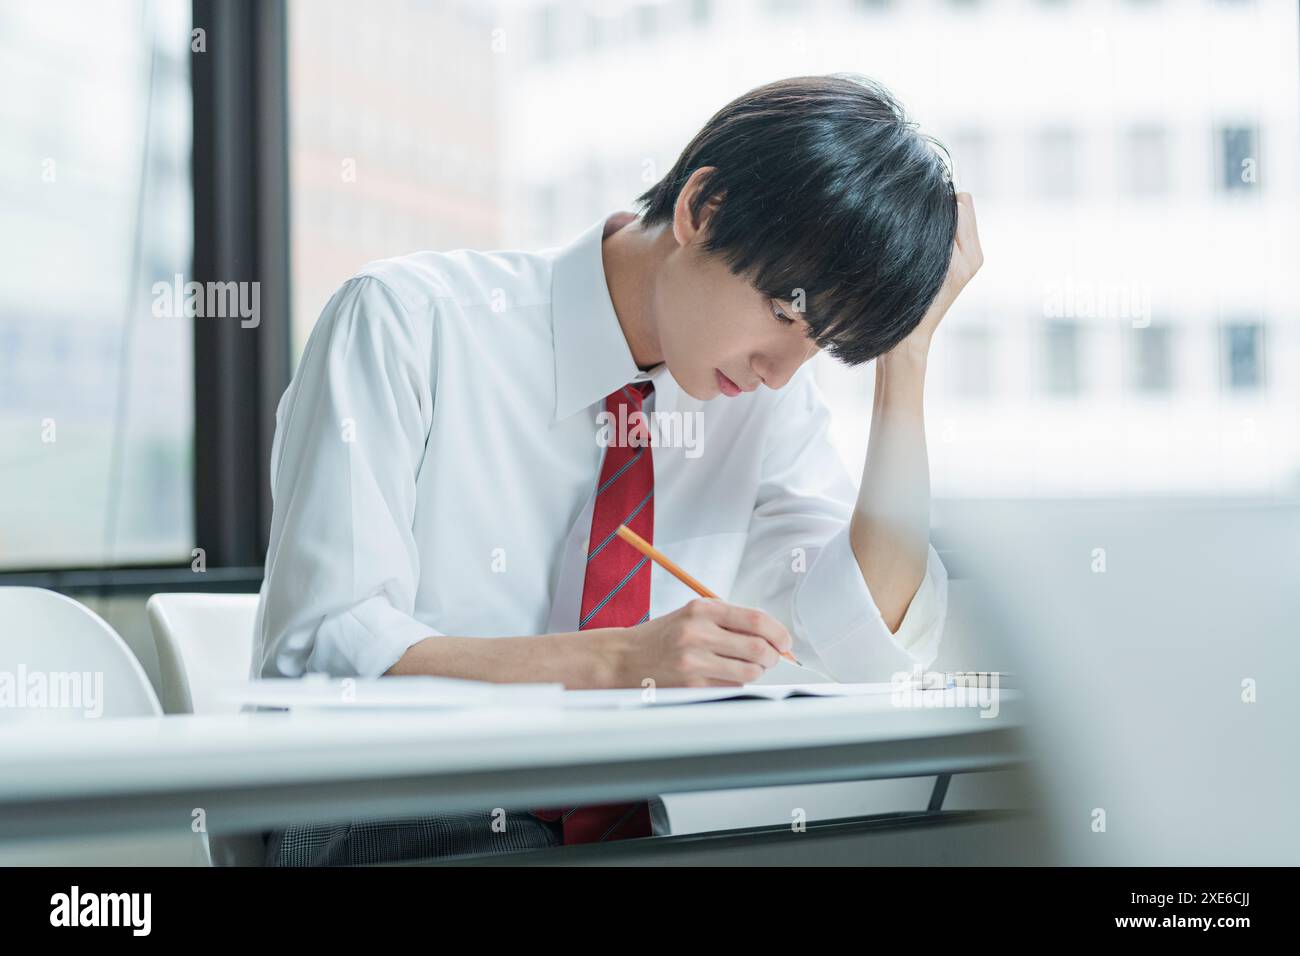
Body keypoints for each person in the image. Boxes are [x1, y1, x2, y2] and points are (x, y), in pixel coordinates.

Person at [253, 73, 983, 865]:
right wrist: (618, 662)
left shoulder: (759, 402)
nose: (780, 371)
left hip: (646, 826)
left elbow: (860, 634)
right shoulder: (407, 323)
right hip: (400, 811)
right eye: (784, 314)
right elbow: (323, 657)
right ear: (702, 209)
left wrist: (907, 354)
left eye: (821, 346)